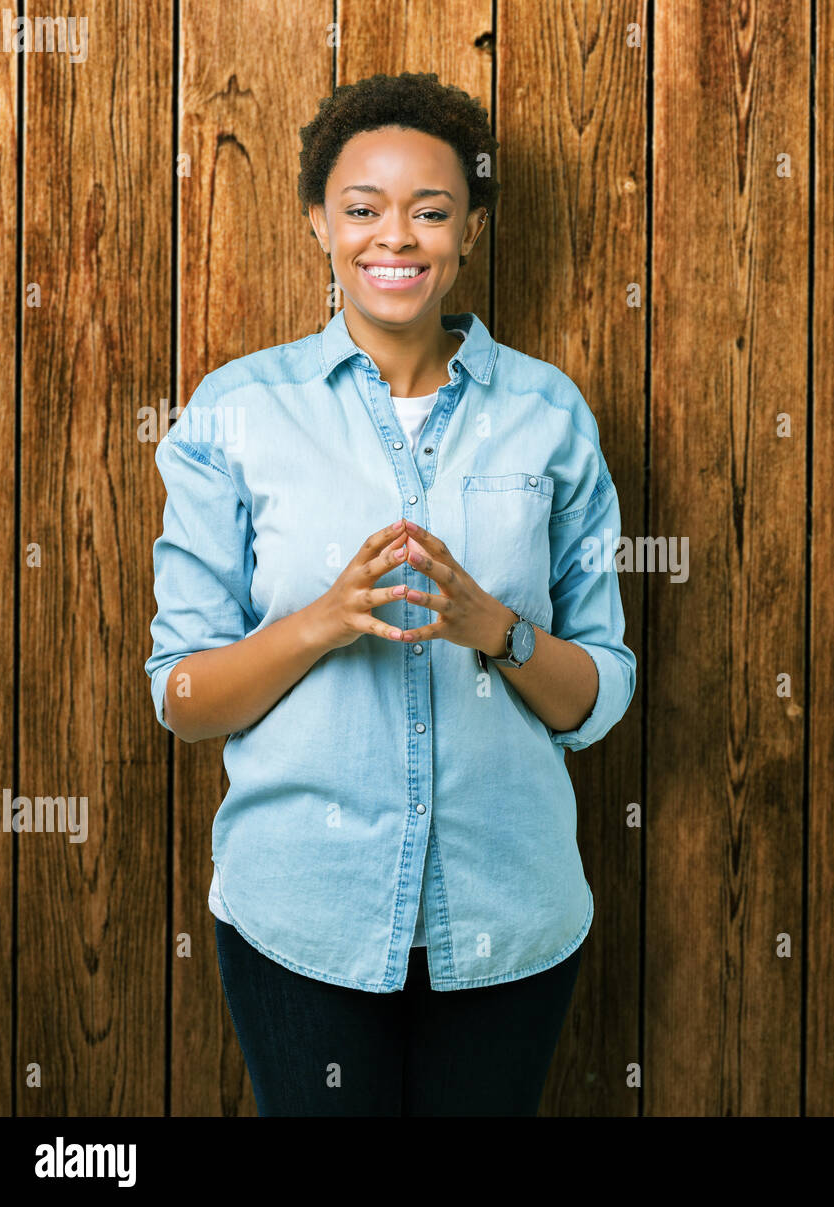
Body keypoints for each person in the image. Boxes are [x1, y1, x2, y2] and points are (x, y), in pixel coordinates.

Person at [145, 71, 636, 1116]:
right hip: (301, 921)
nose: (395, 237)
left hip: (510, 917)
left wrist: (491, 627)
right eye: (363, 209)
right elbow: (182, 697)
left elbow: (597, 700)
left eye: (431, 210)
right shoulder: (234, 416)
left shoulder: (549, 415)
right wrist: (322, 622)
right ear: (320, 221)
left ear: (468, 230)